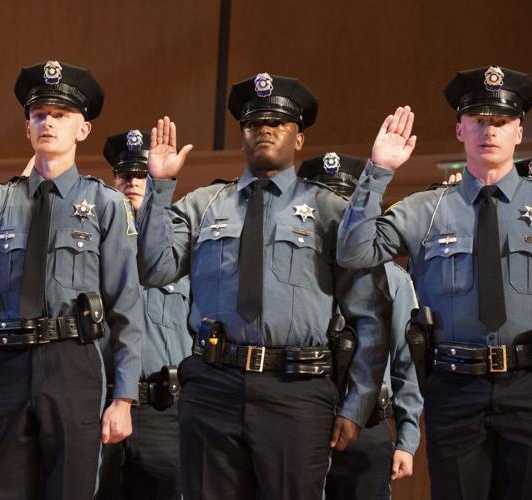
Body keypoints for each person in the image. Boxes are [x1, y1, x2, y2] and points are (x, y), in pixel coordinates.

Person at [136, 72, 388, 500]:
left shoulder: (330, 210)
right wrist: (159, 186)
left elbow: (371, 314)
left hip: (297, 392)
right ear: (242, 138)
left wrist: (357, 402)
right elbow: (154, 268)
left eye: (278, 123)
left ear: (299, 139)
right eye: (254, 124)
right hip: (214, 385)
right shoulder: (203, 204)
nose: (264, 130)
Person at [0, 61, 145, 499]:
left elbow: (125, 306)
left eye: (60, 115)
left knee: (71, 489)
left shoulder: (105, 204)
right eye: (39, 114)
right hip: (8, 363)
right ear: (27, 128)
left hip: (74, 362)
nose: (48, 122)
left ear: (83, 130)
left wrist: (124, 397)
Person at [336, 65, 532, 499]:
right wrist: (378, 170)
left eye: (500, 122)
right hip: (455, 388)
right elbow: (353, 252)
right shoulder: (427, 208)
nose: (488, 131)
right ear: (460, 130)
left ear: (518, 132)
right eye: (478, 121)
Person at [298, 152, 423, 499]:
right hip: (300, 420)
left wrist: (407, 438)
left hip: (368, 425)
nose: (338, 213)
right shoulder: (297, 273)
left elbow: (405, 362)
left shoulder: (393, 279)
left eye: (346, 202)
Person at [96, 130, 191, 500]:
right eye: (125, 175)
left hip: (163, 410)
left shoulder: (181, 252)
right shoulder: (92, 249)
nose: (134, 182)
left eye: (143, 175)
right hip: (101, 404)